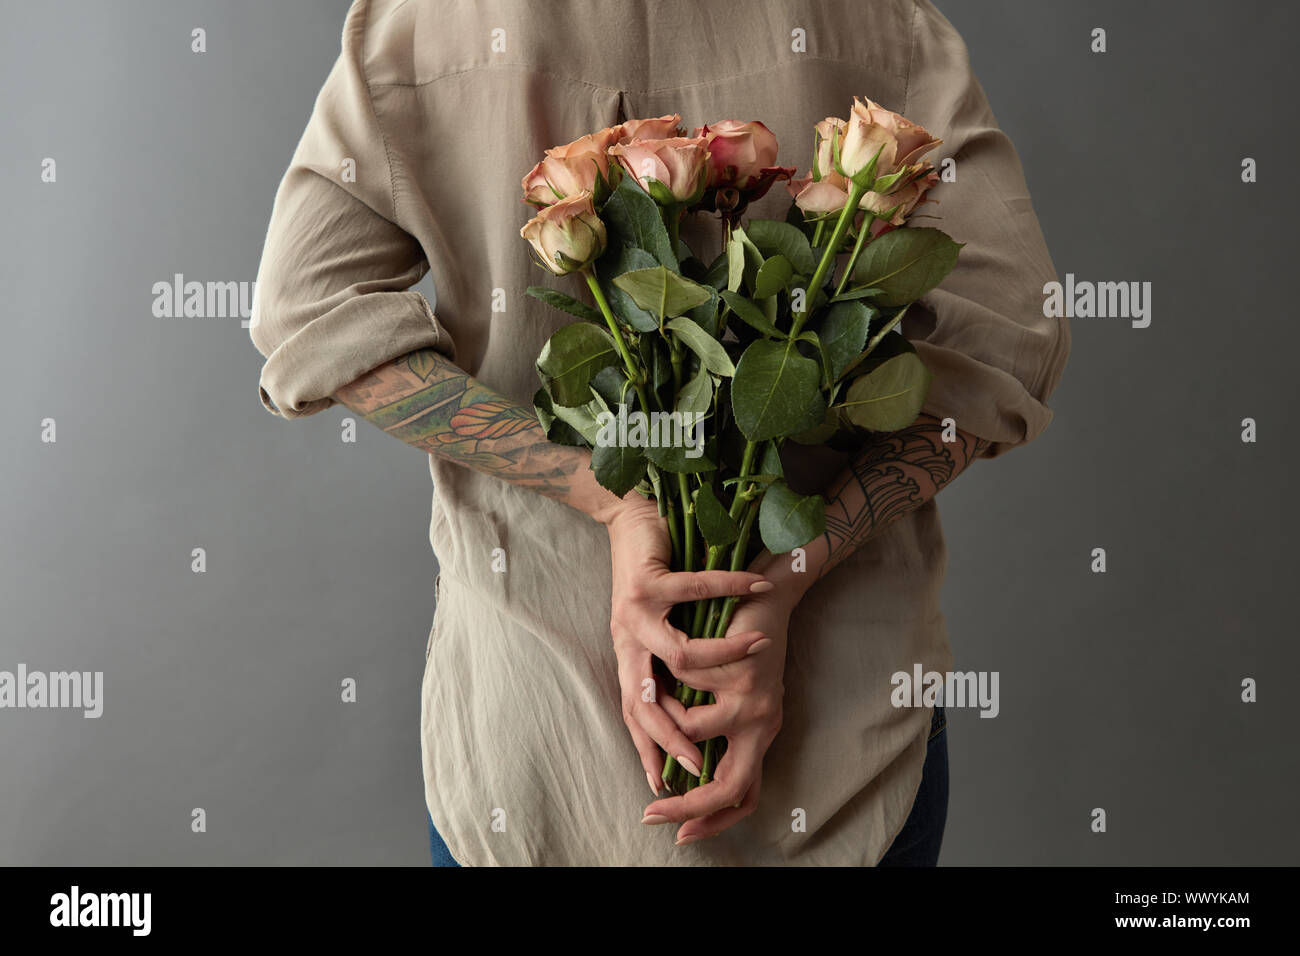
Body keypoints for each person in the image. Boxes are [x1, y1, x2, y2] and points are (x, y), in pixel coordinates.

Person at [248, 0, 1069, 866]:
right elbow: (1014, 335)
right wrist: (792, 567)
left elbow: (304, 307)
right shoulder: (880, 22)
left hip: (531, 756)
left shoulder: (421, 24)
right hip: (847, 758)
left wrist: (605, 496)